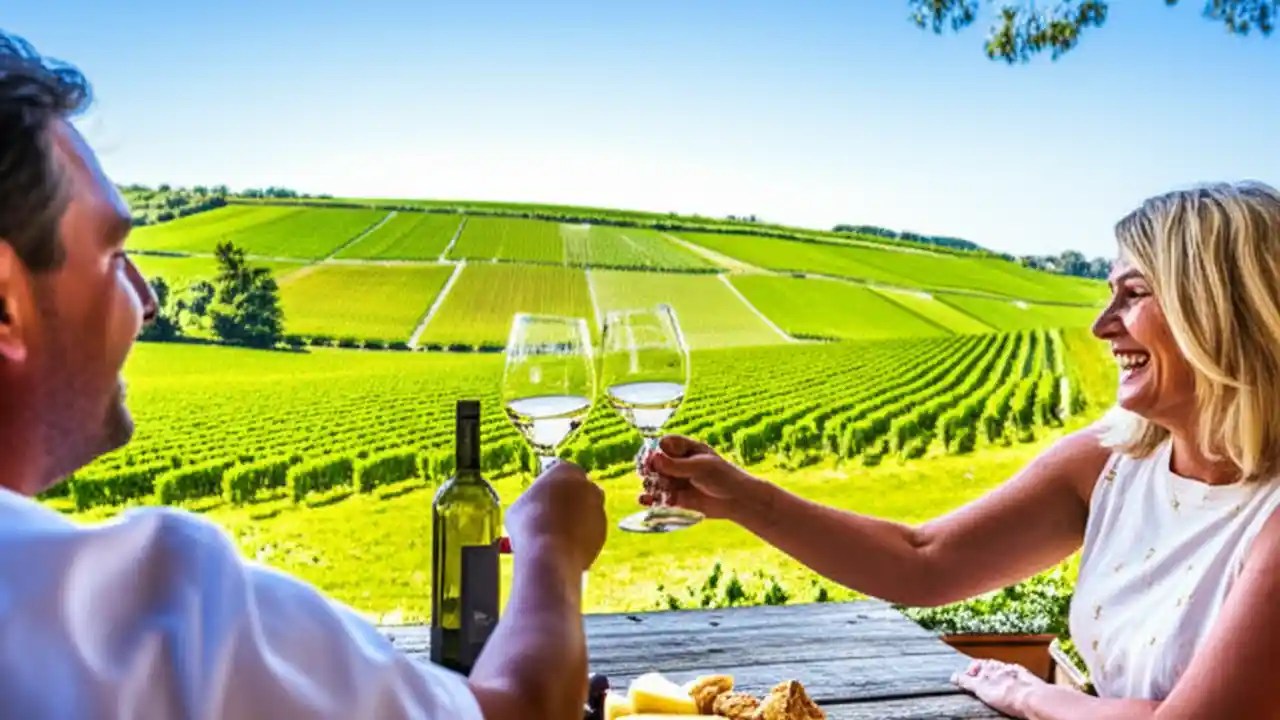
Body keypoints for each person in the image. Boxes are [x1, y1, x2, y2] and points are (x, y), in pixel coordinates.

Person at [0, 31, 606, 719]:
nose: (148, 299)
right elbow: (524, 710)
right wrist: (551, 546)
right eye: (113, 256)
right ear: (4, 301)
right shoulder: (161, 625)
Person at [646, 181, 1280, 719]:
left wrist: (1043, 699)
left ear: (1222, 311)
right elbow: (925, 561)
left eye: (1134, 294)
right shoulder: (1112, 462)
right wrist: (746, 500)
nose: (1101, 324)